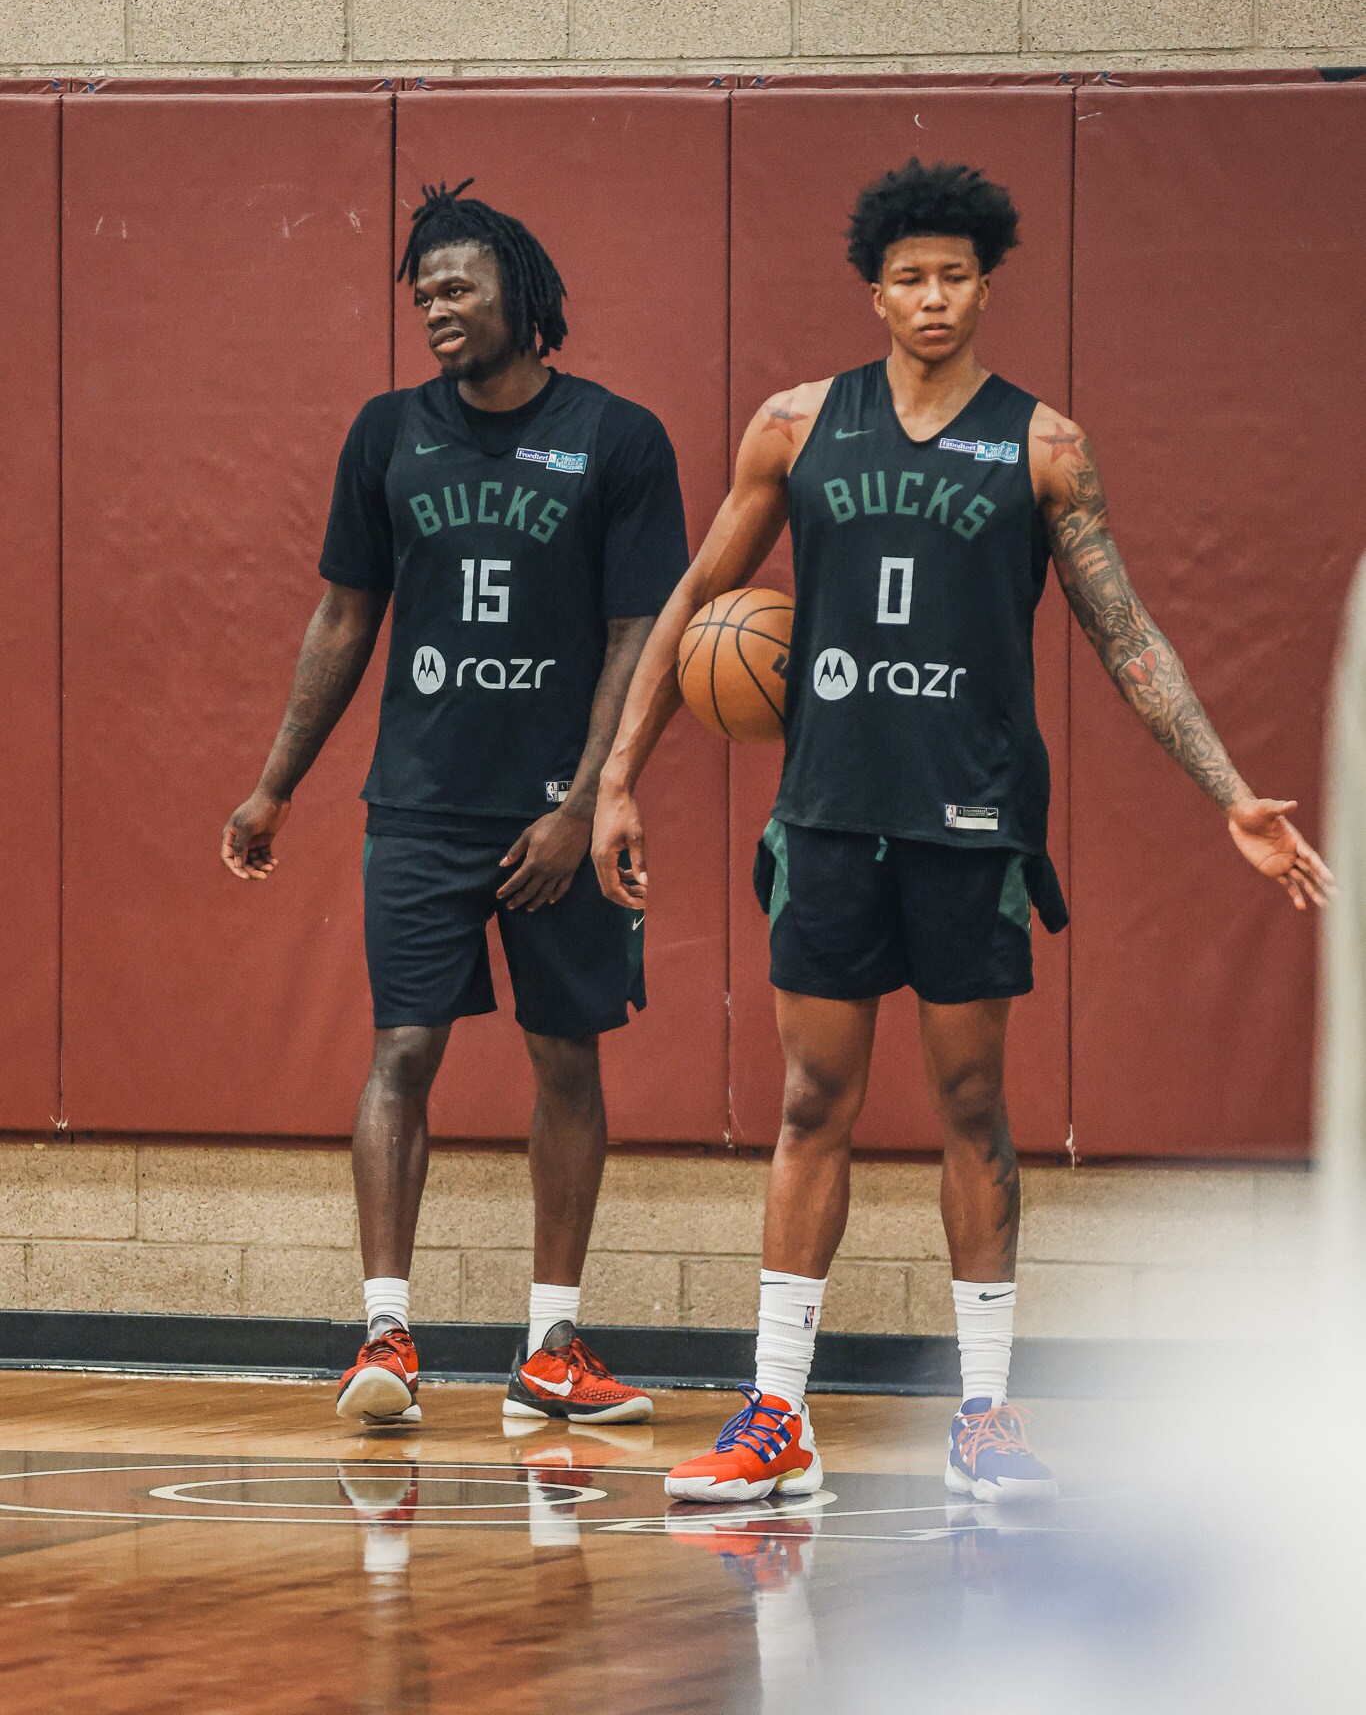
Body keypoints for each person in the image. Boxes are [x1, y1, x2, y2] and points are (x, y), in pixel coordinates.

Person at [591, 157, 1333, 1502]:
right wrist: (616, 778)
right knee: (812, 1102)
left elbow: (1123, 631)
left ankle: (985, 1414)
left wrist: (1227, 790)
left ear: (986, 285)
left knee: (974, 1109)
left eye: (953, 275)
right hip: (825, 816)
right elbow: (696, 597)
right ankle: (775, 1417)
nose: (931, 297)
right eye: (907, 277)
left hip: (970, 824)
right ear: (873, 292)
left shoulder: (1042, 445)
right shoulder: (794, 426)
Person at [222, 180, 688, 1428]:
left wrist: (584, 805)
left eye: (457, 285)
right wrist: (275, 783)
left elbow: (642, 635)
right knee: (403, 1049)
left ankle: (551, 1349)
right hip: (420, 805)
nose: (434, 305)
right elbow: (343, 617)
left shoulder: (619, 438)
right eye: (421, 290)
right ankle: (385, 1334)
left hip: (554, 812)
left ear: (521, 297)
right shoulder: (387, 434)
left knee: (563, 1056)